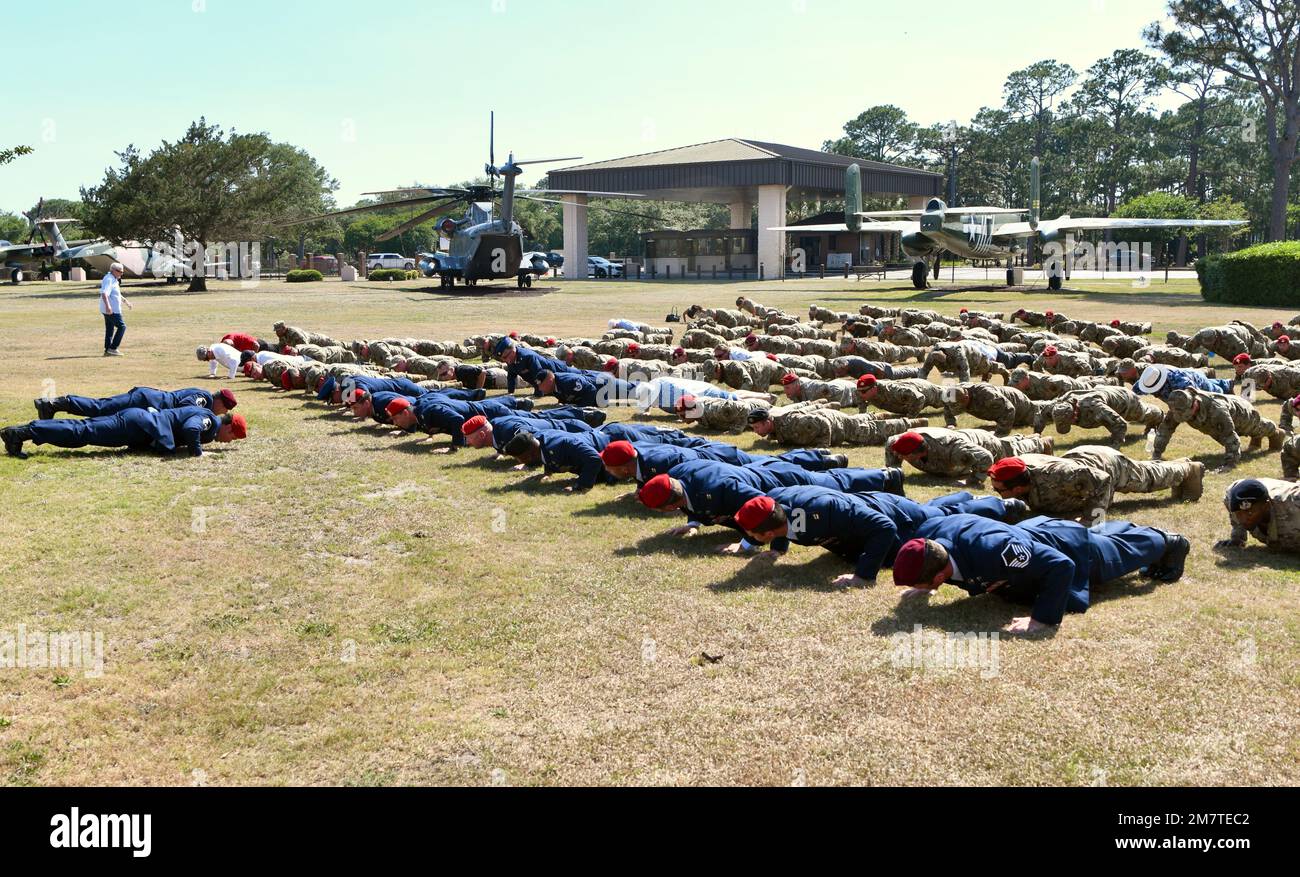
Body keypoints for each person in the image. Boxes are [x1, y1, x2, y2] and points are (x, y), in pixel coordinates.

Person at [891, 513, 1188, 632]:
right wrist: (926, 585)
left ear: (940, 575)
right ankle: (1121, 528)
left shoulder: (996, 551)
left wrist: (1041, 620)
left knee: (1113, 558)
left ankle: (1169, 541)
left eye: (927, 581)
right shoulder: (928, 537)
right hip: (1030, 534)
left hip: (1065, 545)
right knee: (1104, 539)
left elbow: (1060, 566)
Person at [727, 487, 1024, 587]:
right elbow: (782, 521)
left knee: (940, 519)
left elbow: (883, 528)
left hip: (894, 517)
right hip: (869, 514)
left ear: (765, 531)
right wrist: (779, 550)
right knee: (935, 510)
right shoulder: (777, 504)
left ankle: (1000, 505)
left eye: (753, 534)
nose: (750, 538)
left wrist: (863, 575)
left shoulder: (824, 510)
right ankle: (963, 496)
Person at [3, 407, 247, 459]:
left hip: (137, 421)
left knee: (84, 429)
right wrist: (198, 453)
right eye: (232, 437)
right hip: (137, 425)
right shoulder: (208, 422)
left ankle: (22, 434)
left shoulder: (206, 415)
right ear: (227, 427)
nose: (227, 441)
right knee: (83, 432)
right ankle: (20, 433)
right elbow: (190, 429)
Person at [34, 387, 236, 420]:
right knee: (100, 408)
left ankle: (51, 405)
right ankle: (51, 404)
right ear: (219, 401)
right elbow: (183, 410)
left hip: (146, 400)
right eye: (224, 409)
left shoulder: (204, 398)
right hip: (146, 400)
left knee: (101, 410)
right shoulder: (204, 400)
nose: (220, 413)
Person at [1216, 478, 1300, 553]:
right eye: (1239, 514)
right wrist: (1237, 538)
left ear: (1266, 506)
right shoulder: (1232, 496)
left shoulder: (1293, 503)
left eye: (1250, 513)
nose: (1244, 519)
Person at [99, 262, 130, 356]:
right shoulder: (109, 279)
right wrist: (108, 307)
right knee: (122, 327)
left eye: (122, 272)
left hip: (109, 309)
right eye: (120, 271)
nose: (121, 273)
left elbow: (116, 293)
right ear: (113, 270)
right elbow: (104, 294)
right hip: (112, 310)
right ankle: (113, 348)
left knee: (110, 329)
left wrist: (125, 301)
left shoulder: (114, 279)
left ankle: (108, 349)